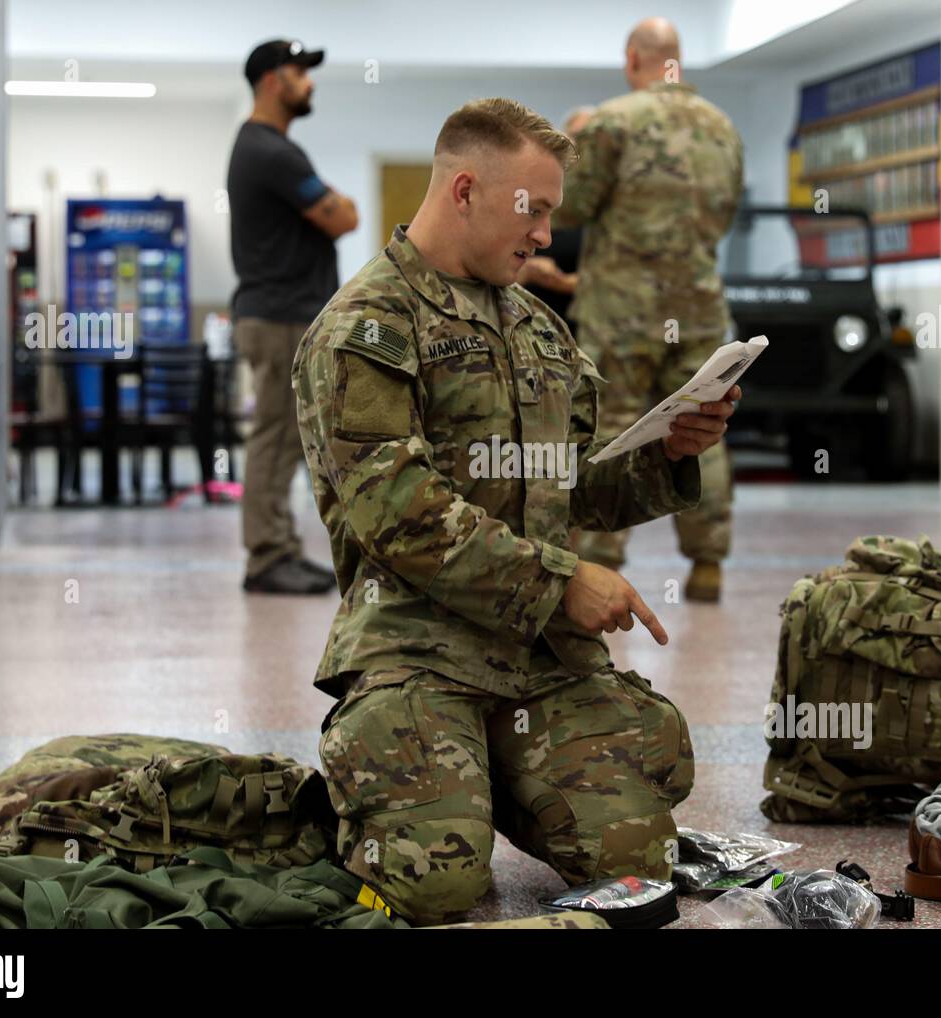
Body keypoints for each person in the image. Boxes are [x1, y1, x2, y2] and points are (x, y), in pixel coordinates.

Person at [292, 98, 741, 925]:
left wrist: (670, 452)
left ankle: (481, 771)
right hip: (417, 648)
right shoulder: (367, 326)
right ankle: (430, 781)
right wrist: (561, 583)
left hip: (538, 657)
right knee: (433, 885)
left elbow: (576, 486)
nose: (546, 235)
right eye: (534, 210)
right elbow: (399, 516)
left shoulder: (537, 327)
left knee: (639, 856)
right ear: (465, 189)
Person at [552, 17, 745, 602]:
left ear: (633, 59)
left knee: (608, 425)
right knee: (704, 426)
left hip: (623, 308)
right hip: (697, 306)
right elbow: (725, 215)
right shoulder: (723, 128)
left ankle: (601, 562)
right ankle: (708, 564)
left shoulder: (613, 121)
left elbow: (570, 206)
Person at [227, 39, 358, 594]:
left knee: (285, 439)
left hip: (282, 313)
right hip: (281, 316)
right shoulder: (272, 153)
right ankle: (266, 556)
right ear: (270, 81)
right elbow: (343, 218)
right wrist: (338, 203)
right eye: (299, 72)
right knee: (277, 436)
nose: (309, 82)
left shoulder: (267, 149)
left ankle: (280, 547)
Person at [516, 106, 593, 331]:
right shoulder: (530, 193)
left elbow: (626, 279)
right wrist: (526, 269)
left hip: (584, 328)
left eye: (592, 139)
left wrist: (563, 282)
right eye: (578, 137)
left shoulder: (612, 208)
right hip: (528, 321)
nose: (584, 147)